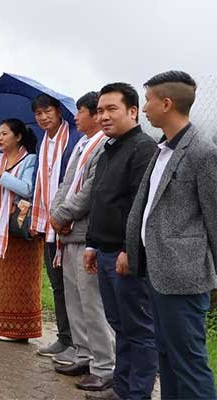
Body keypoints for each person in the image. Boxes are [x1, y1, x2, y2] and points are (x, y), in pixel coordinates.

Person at [125, 71, 216, 399]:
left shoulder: (202, 152)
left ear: (167, 103)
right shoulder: (162, 150)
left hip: (184, 277)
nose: (144, 107)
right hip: (157, 271)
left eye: (148, 100)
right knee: (166, 356)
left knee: (189, 362)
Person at [83, 83, 157, 400]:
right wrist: (91, 244)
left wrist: (130, 249)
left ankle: (137, 393)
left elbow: (142, 206)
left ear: (133, 111)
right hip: (104, 252)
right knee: (120, 325)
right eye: (100, 110)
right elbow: (100, 200)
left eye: (111, 109)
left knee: (138, 329)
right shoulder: (108, 149)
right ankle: (122, 388)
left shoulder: (143, 149)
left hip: (126, 257)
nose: (103, 116)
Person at [49, 92, 114, 390]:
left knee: (91, 303)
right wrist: (56, 213)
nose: (75, 117)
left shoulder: (103, 146)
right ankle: (84, 354)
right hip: (67, 233)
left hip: (85, 232)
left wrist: (63, 214)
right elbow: (66, 183)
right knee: (74, 299)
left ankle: (104, 365)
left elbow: (90, 189)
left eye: (81, 111)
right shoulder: (81, 145)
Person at [0, 118, 42, 341]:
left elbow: (27, 189)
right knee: (1, 279)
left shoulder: (30, 159)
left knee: (22, 280)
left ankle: (20, 330)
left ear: (18, 136)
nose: (0, 138)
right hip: (0, 226)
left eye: (5, 133)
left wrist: (1, 176)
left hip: (18, 226)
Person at [29, 93, 81, 362]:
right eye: (38, 114)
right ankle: (64, 337)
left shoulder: (74, 138)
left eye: (47, 111)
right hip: (47, 223)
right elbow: (40, 181)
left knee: (75, 287)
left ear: (59, 111)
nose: (43, 117)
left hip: (69, 223)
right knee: (58, 285)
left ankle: (80, 345)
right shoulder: (43, 142)